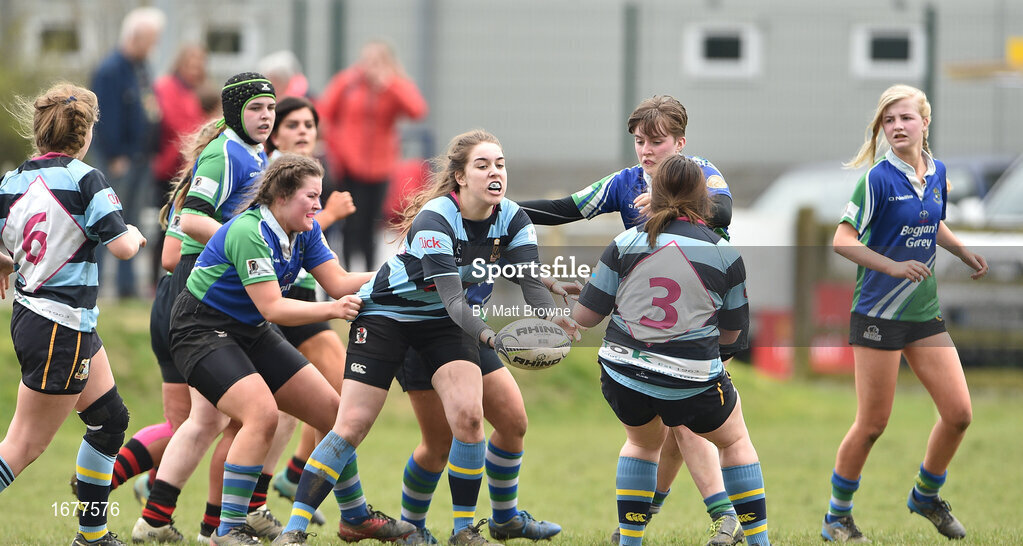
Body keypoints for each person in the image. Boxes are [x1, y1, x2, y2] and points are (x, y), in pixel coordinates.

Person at [271, 130, 578, 546]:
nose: (495, 173)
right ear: (460, 177)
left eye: (500, 164)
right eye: (482, 165)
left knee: (469, 419)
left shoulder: (513, 219)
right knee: (351, 425)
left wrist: (555, 318)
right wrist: (491, 338)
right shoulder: (435, 218)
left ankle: (464, 531)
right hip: (386, 314)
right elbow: (453, 299)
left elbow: (527, 280)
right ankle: (294, 531)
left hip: (445, 325)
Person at [517, 95, 745, 546]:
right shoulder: (623, 183)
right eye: (640, 141)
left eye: (656, 141)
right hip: (646, 323)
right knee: (674, 427)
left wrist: (674, 203)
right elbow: (564, 208)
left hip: (697, 317)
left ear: (680, 142)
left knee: (679, 421)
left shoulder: (699, 173)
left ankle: (709, 518)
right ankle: (654, 517)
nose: (646, 150)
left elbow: (723, 211)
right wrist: (497, 209)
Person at [166, 153, 370, 545]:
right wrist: (332, 309)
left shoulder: (305, 229)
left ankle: (356, 517)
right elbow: (273, 307)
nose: (318, 205)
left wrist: (400, 272)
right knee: (261, 414)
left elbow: (340, 281)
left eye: (319, 196)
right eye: (311, 196)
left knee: (333, 413)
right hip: (200, 328)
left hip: (250, 330)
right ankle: (226, 532)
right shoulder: (249, 230)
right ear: (280, 196)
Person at [570, 154, 769, 546]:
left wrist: (581, 302)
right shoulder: (723, 252)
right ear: (702, 199)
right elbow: (733, 335)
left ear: (651, 196)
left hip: (621, 373)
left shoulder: (625, 242)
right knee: (734, 441)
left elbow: (586, 317)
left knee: (642, 443)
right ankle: (759, 541)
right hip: (691, 378)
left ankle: (629, 540)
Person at [820, 84, 986, 543]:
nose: (896, 126)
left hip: (923, 312)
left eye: (905, 118)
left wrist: (962, 251)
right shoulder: (876, 179)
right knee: (873, 424)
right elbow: (842, 240)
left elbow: (931, 222)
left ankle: (926, 495)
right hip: (877, 313)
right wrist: (892, 265)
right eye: (888, 120)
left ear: (924, 123)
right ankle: (837, 517)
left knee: (959, 414)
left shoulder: (938, 173)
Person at [129, 72, 283, 543]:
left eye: (270, 109)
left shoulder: (254, 155)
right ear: (236, 111)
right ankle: (213, 524)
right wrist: (245, 249)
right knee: (211, 420)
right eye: (257, 108)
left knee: (209, 420)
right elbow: (191, 222)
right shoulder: (225, 153)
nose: (266, 117)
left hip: (217, 293)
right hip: (201, 295)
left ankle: (162, 519)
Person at [0, 82, 147, 545]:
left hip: (44, 320)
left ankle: (92, 536)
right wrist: (138, 234)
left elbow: (10, 248)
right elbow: (123, 248)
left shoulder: (10, 181)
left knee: (110, 420)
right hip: (58, 327)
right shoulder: (87, 179)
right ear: (84, 136)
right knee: (22, 446)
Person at [263, 96, 359, 529]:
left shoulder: (313, 175)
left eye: (310, 125)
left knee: (333, 396)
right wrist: (330, 214)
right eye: (294, 124)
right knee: (211, 420)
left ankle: (296, 478)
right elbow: (274, 229)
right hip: (272, 305)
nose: (304, 131)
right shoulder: (264, 176)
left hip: (304, 298)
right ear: (273, 133)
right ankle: (160, 490)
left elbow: (331, 271)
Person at [318, 39, 428, 270]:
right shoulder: (347, 83)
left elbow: (417, 110)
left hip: (381, 166)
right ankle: (345, 271)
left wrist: (388, 85)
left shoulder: (393, 86)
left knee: (372, 222)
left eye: (376, 61)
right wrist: (338, 146)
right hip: (349, 165)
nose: (370, 66)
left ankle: (369, 272)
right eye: (366, 60)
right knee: (349, 222)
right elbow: (324, 112)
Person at [90, 6, 164, 298]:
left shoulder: (142, 68)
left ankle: (127, 288)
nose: (154, 46)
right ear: (136, 36)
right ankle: (93, 286)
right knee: (107, 220)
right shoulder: (110, 70)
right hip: (119, 161)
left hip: (141, 158)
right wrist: (115, 155)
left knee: (130, 222)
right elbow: (102, 117)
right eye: (151, 39)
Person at [150, 44, 209, 284]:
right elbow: (177, 126)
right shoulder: (168, 87)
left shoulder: (196, 91)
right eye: (190, 63)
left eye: (199, 64)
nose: (194, 69)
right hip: (169, 168)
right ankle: (157, 281)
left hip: (188, 167)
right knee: (164, 225)